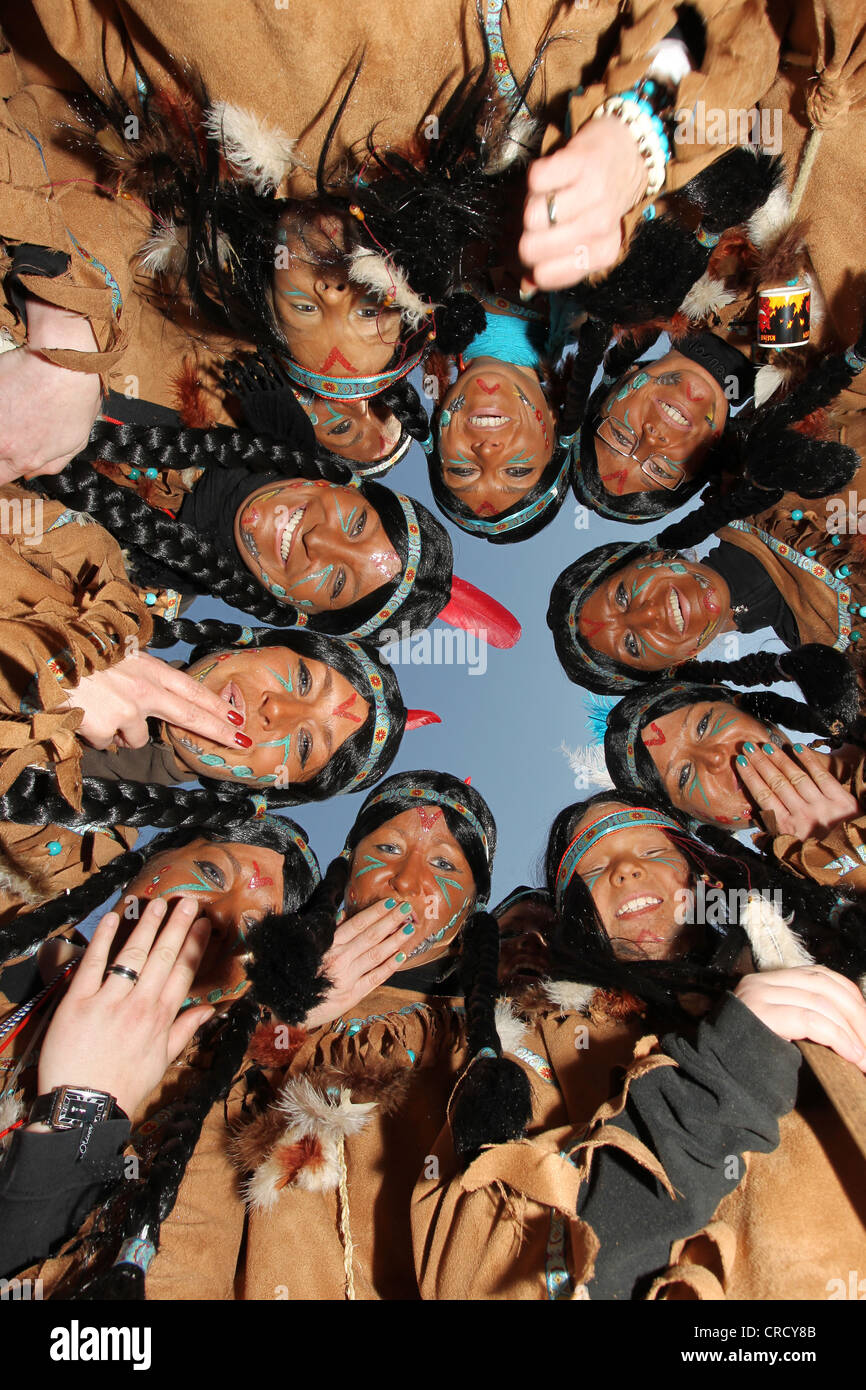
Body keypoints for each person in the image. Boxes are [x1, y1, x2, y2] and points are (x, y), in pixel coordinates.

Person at [2, 769, 499, 1298]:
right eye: (213, 874)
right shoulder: (23, 939)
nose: (406, 881)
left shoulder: (486, 1045)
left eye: (444, 863)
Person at [409, 790, 866, 1299]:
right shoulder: (532, 1048)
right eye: (594, 866)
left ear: (702, 877)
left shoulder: (810, 952)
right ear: (577, 918)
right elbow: (482, 1274)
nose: (625, 870)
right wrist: (723, 1076)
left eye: (653, 853)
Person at [602, 651, 866, 893]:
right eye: (684, 775)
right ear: (701, 822)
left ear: (742, 705)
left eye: (703, 725)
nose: (714, 757)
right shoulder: (786, 914)